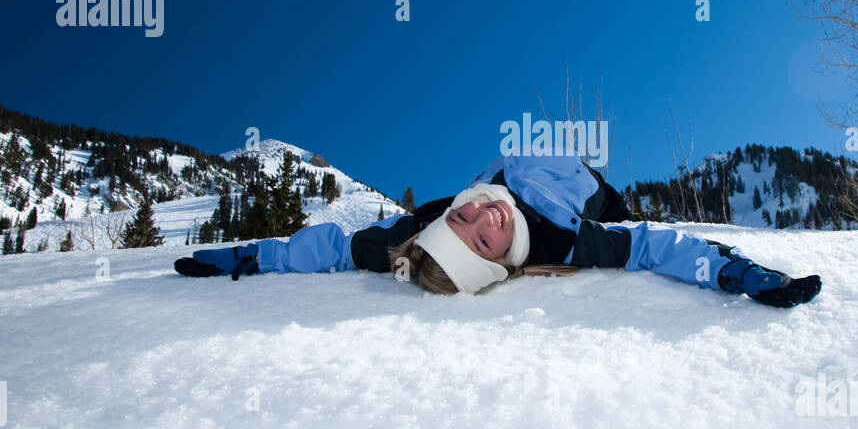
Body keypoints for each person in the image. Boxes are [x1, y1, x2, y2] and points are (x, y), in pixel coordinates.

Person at [173, 154, 822, 308]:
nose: (485, 217)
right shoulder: (567, 243)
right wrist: (733, 270)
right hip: (591, 187)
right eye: (482, 240)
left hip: (526, 160)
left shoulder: (427, 223)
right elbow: (655, 245)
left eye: (463, 218)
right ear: (498, 263)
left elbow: (338, 248)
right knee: (628, 220)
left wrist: (252, 255)